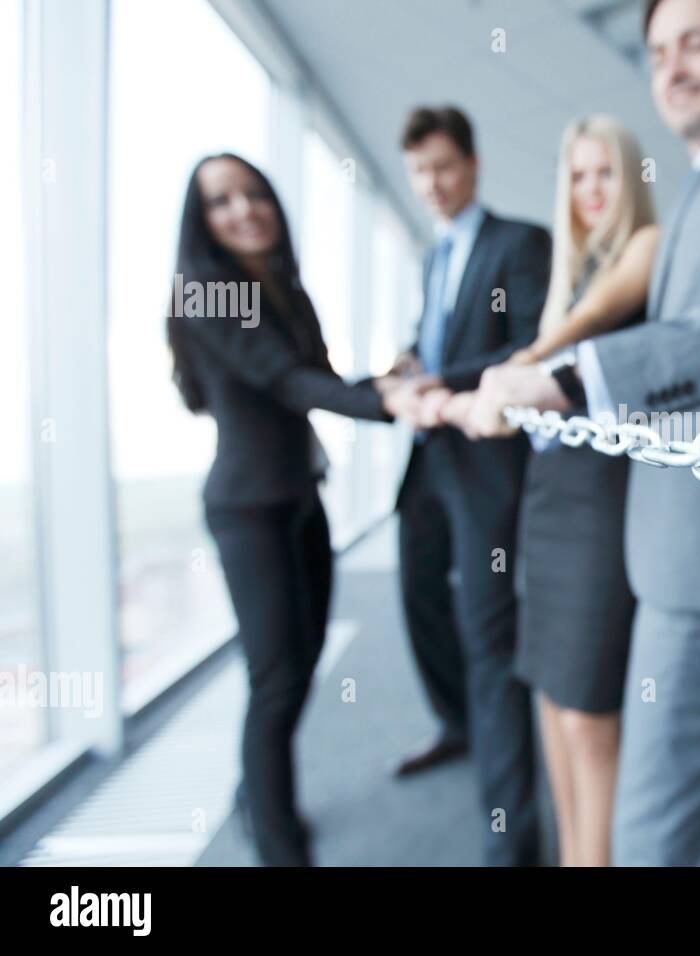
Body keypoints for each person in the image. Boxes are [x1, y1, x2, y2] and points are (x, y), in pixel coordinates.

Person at [450, 0, 700, 866]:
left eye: (696, 43)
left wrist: (582, 377)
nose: (670, 65)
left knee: (654, 834)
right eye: (657, 50)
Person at [166, 153, 426, 866]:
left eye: (254, 194)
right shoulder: (204, 292)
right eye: (221, 202)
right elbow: (282, 380)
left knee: (302, 661)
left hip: (300, 500)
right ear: (203, 222)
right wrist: (384, 404)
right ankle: (276, 841)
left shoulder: (282, 287)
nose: (243, 209)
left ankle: (257, 793)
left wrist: (383, 382)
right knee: (275, 679)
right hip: (247, 511)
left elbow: (317, 379)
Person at [440, 115, 658, 866]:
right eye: (578, 175)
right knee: (549, 699)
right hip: (551, 491)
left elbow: (582, 336)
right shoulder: (571, 273)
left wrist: (512, 373)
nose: (592, 189)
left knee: (589, 715)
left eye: (606, 173)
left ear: (631, 180)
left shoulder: (642, 252)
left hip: (604, 496)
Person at [387, 107, 551, 866]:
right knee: (419, 599)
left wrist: (439, 381)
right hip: (429, 462)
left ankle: (510, 843)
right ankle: (458, 725)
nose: (433, 184)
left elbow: (526, 345)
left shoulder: (520, 242)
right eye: (420, 171)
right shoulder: (435, 257)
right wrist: (409, 369)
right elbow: (439, 341)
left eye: (445, 167)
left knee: (490, 640)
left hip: (484, 465)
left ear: (474, 165)